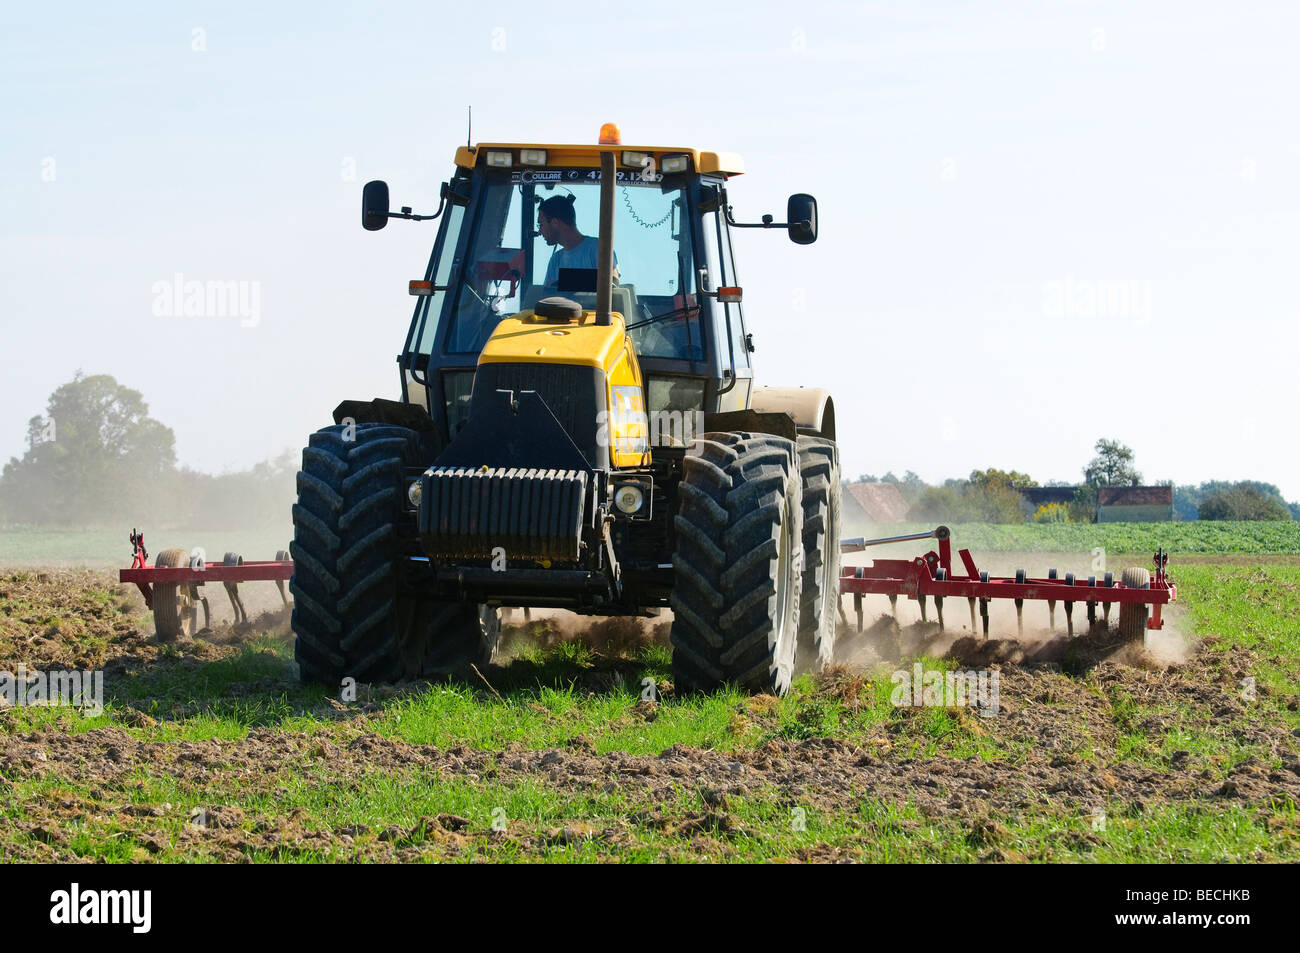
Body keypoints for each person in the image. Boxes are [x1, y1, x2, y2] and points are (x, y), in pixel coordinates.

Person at [537, 194, 618, 291]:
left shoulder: (598, 248)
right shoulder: (556, 259)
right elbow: (546, 296)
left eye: (541, 224)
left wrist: (562, 282)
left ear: (555, 222)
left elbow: (613, 283)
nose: (539, 231)